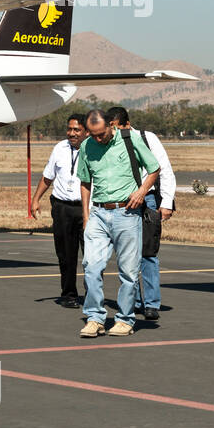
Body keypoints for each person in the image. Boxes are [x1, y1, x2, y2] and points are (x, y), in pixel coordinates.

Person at [75, 109, 160, 337]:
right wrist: (86, 217)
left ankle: (124, 319)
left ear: (111, 125)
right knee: (91, 266)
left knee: (129, 272)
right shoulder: (86, 147)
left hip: (127, 212)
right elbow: (84, 182)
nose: (98, 139)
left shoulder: (130, 139)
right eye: (93, 135)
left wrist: (142, 192)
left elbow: (154, 168)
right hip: (99, 213)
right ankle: (94, 318)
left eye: (101, 134)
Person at [107, 107, 175, 321]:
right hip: (122, 202)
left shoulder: (147, 138)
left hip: (148, 200)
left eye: (116, 127)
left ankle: (152, 303)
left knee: (148, 253)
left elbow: (163, 169)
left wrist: (166, 202)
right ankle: (133, 301)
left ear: (126, 124)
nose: (114, 131)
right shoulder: (111, 142)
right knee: (127, 254)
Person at [30, 113, 87, 308]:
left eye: (77, 130)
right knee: (65, 254)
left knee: (92, 256)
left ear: (86, 132)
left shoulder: (94, 149)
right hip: (62, 207)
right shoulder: (59, 148)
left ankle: (93, 295)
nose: (72, 133)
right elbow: (48, 177)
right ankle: (69, 294)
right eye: (70, 129)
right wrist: (35, 199)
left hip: (86, 209)